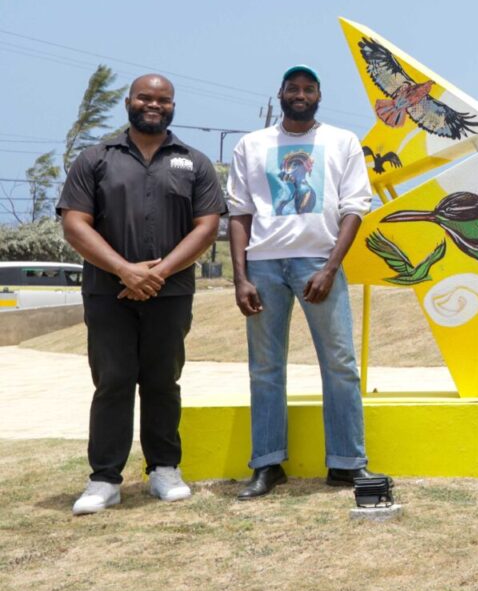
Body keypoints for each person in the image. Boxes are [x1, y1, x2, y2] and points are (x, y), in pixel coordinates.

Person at [57, 75, 227, 515]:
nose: (154, 105)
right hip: (107, 292)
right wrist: (124, 270)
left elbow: (206, 227)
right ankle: (104, 479)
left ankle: (164, 469)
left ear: (173, 106)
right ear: (129, 102)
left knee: (162, 381)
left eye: (163, 100)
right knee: (112, 381)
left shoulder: (194, 162)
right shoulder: (95, 159)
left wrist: (161, 272)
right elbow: (76, 223)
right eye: (145, 97)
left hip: (170, 294)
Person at [226, 66, 382, 499]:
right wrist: (240, 278)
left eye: (308, 89)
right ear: (280, 93)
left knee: (340, 364)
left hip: (319, 262)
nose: (300, 94)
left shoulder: (342, 141)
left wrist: (331, 267)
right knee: (265, 368)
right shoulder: (252, 145)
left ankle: (347, 464)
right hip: (263, 265)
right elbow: (238, 212)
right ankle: (267, 464)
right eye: (292, 88)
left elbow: (354, 207)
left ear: (319, 95)